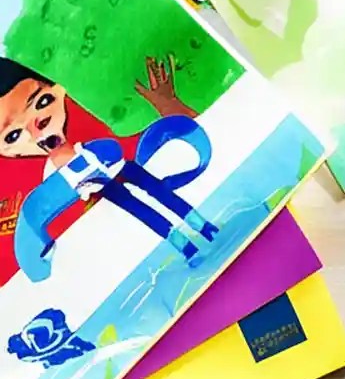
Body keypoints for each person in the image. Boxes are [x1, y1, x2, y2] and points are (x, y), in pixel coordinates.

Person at [0, 56, 217, 285]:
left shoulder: (96, 143)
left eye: (42, 102)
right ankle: (185, 245)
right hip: (115, 242)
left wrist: (168, 104)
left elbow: (164, 138)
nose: (37, 128)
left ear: (59, 91)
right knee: (143, 211)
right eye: (13, 135)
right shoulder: (48, 189)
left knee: (159, 191)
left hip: (122, 173)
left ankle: (201, 225)